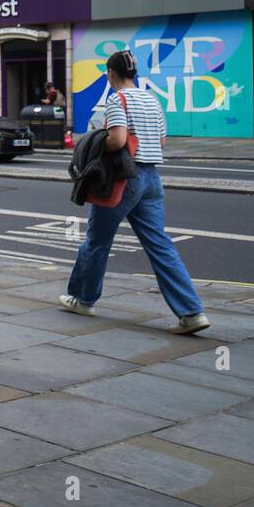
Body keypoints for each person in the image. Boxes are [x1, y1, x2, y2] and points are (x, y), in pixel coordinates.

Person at [60, 50, 210, 334]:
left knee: (97, 242)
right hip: (152, 179)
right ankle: (192, 312)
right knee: (160, 244)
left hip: (123, 179)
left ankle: (83, 299)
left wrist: (94, 144)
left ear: (111, 73)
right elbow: (162, 141)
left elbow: (116, 140)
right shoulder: (152, 99)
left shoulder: (118, 99)